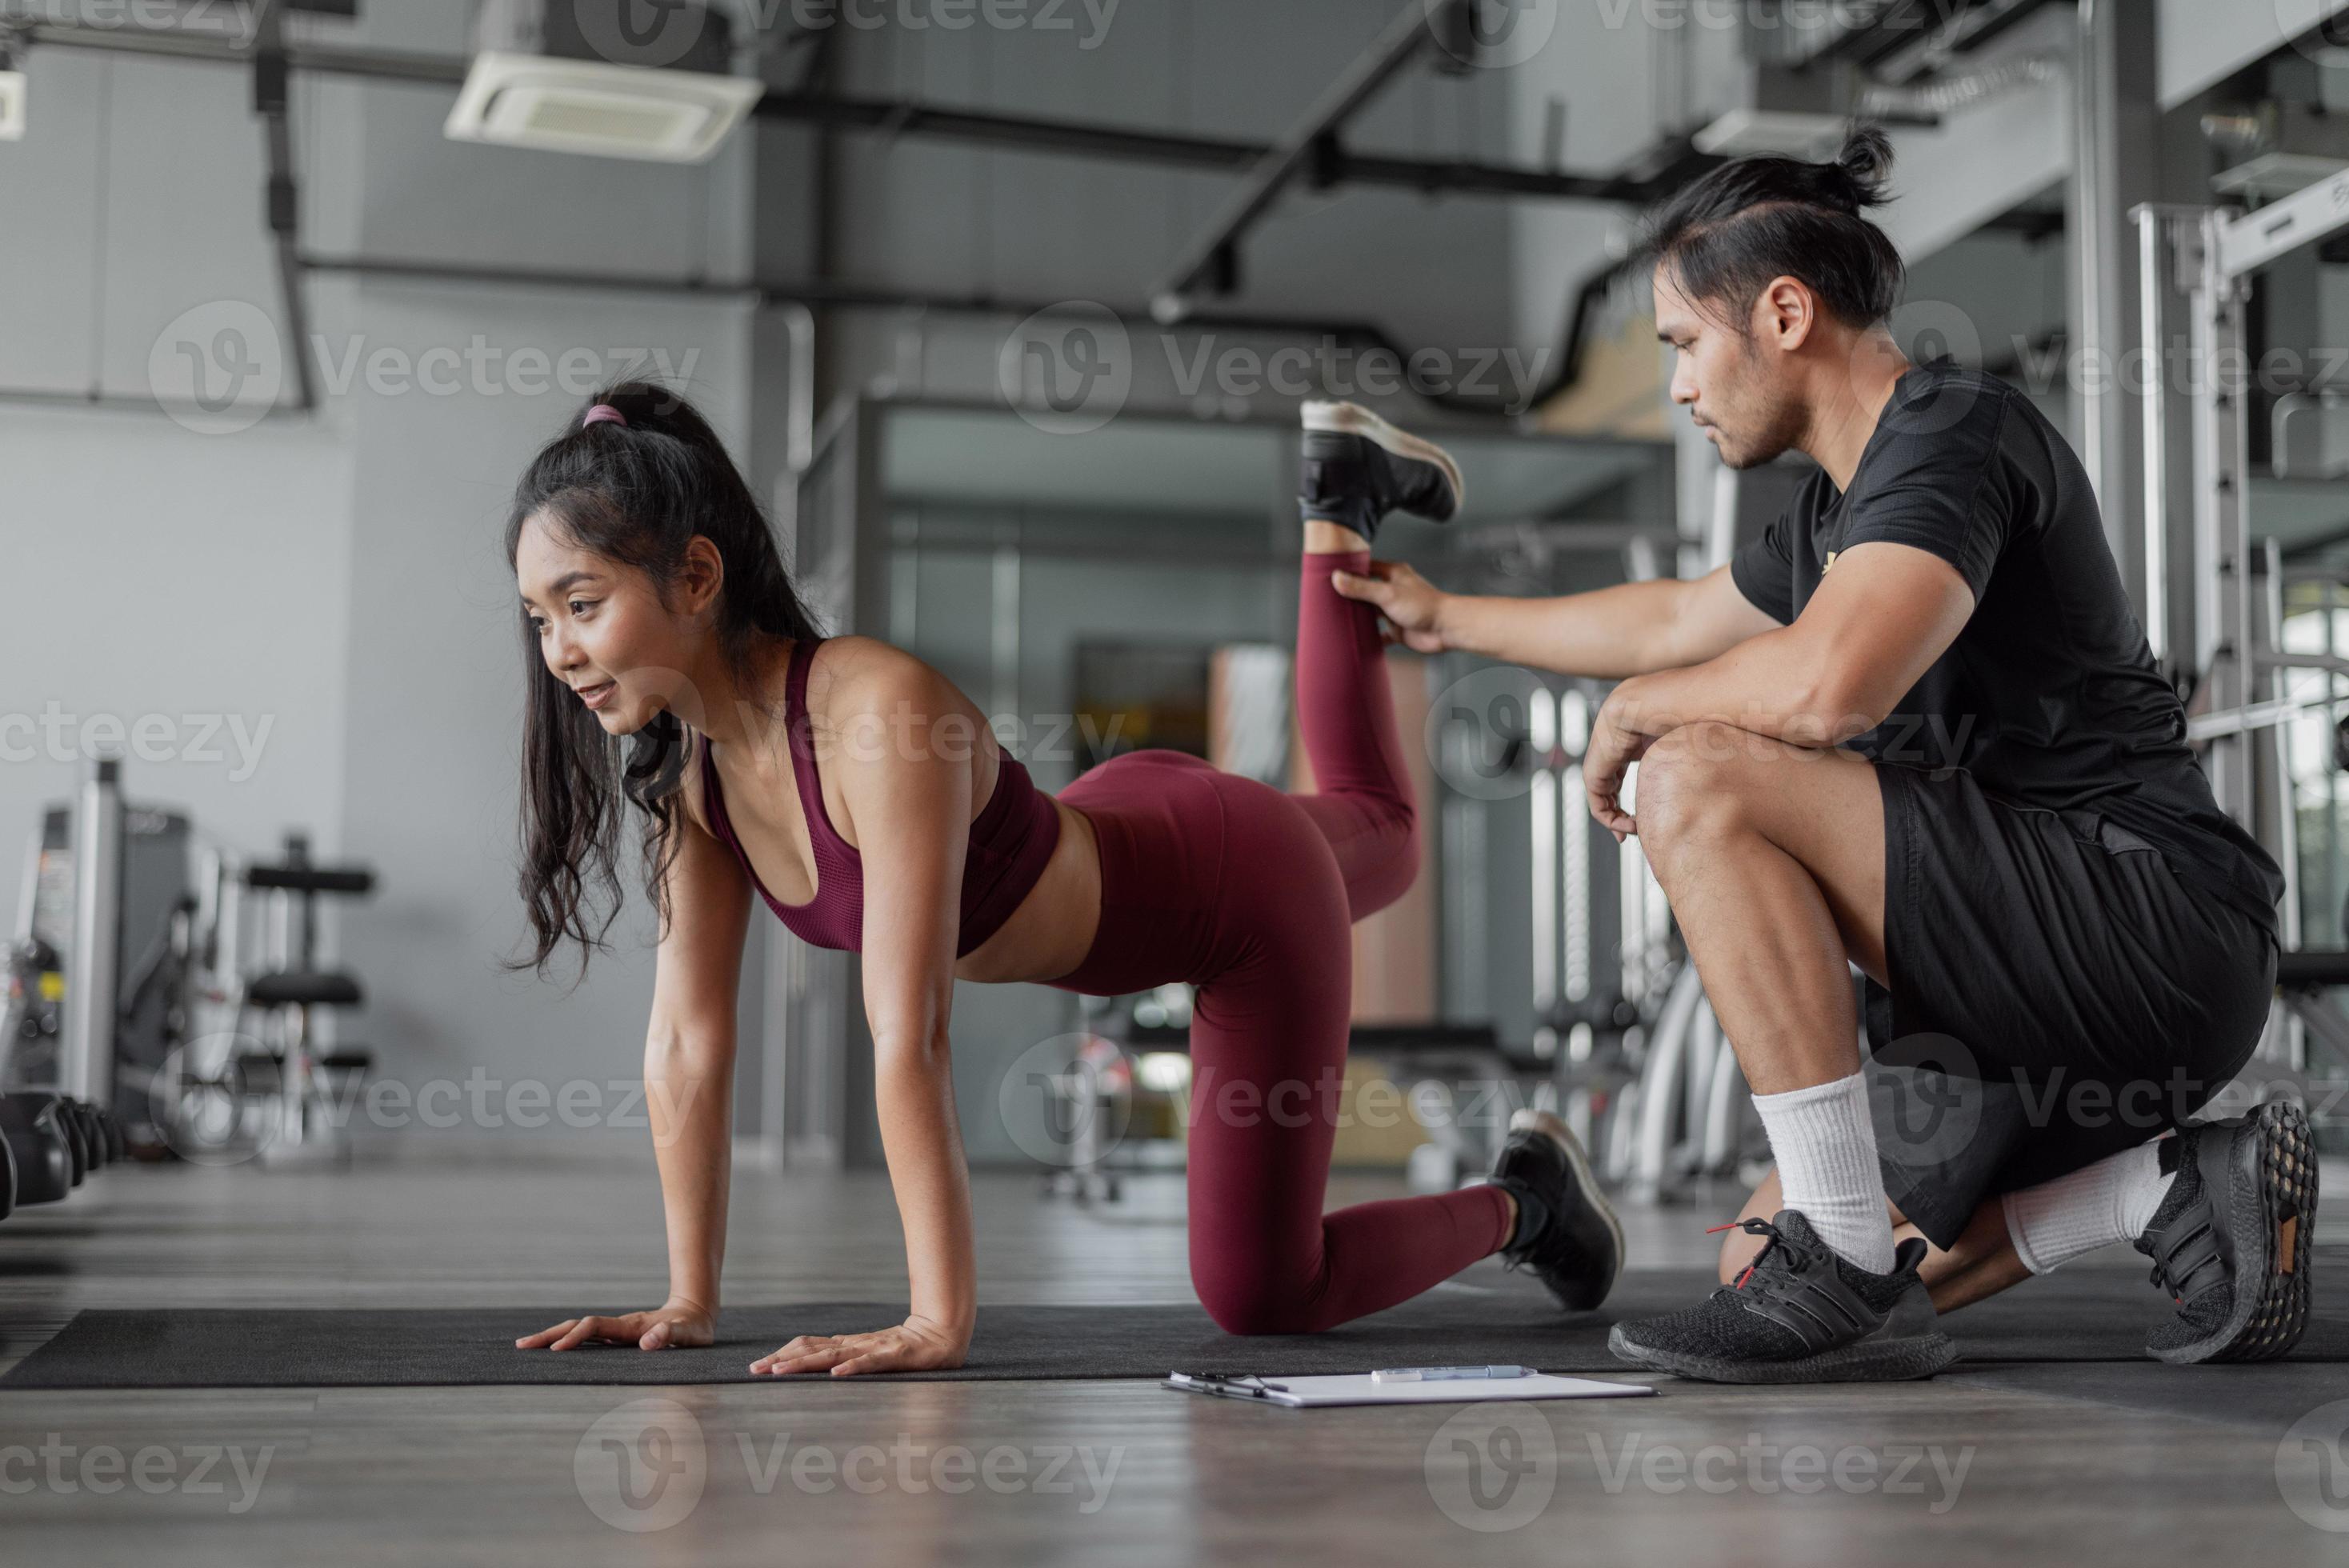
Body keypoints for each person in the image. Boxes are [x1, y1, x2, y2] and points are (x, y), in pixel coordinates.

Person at [1336, 124, 2312, 1382]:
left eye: (1685, 345)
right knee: (1759, 1255)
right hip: (2016, 993)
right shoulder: (1830, 520)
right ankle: (2161, 1188)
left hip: (2149, 926)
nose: (1680, 385)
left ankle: (1844, 1255)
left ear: (1784, 314)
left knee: (1694, 766)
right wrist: (1444, 618)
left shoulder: (1954, 433)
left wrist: (1640, 711)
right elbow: (1680, 614)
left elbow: (1828, 686)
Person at [505, 386, 1623, 1377]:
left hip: (1236, 900)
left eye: (583, 603)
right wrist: (689, 1300)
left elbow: (910, 1034)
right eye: (540, 618)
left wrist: (938, 1319)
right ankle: (1339, 505)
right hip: (1143, 827)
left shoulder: (873, 712)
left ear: (696, 575)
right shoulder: (696, 781)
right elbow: (686, 1044)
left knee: (1266, 1295)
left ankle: (1527, 1204)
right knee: (1382, 834)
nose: (558, 651)